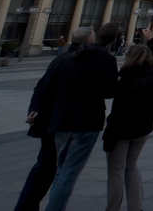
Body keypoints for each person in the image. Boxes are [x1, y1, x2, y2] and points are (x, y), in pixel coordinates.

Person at [39, 22, 119, 211]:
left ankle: (53, 205)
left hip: (61, 120)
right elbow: (110, 91)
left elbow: (48, 87)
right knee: (70, 172)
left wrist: (39, 111)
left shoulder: (68, 58)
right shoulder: (105, 59)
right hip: (86, 121)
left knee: (62, 170)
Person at [15, 27, 92, 211]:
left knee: (46, 166)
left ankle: (27, 205)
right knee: (50, 167)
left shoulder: (61, 59)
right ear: (88, 42)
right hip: (58, 122)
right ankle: (28, 206)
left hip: (53, 120)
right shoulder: (72, 61)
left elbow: (41, 86)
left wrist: (34, 109)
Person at [102, 37, 153, 211]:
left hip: (121, 131)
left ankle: (112, 207)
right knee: (131, 166)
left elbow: (117, 111)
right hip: (143, 129)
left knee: (116, 171)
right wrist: (151, 38)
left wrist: (109, 135)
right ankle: (136, 207)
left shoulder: (123, 81)